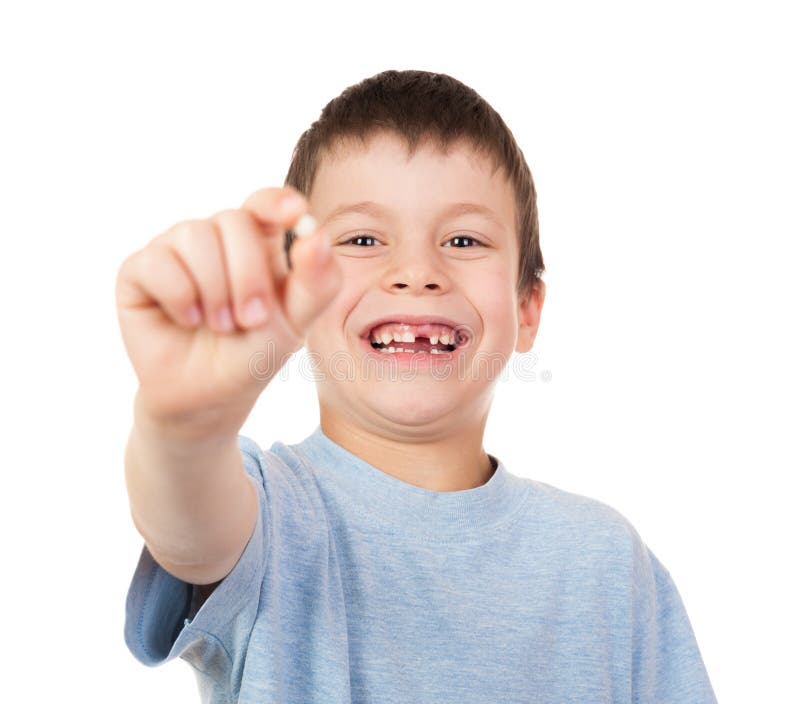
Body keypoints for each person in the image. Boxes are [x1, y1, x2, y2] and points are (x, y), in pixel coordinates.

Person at [116, 70, 718, 703]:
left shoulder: (608, 562)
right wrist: (182, 426)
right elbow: (185, 520)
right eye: (363, 239)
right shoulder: (265, 517)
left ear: (529, 307)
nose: (416, 272)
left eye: (463, 239)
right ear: (293, 290)